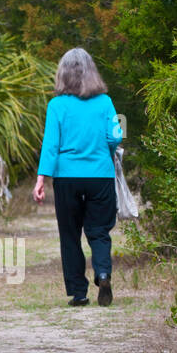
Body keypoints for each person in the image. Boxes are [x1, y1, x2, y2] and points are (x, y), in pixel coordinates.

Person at [33, 48, 123, 306]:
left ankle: (79, 293)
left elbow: (51, 145)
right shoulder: (105, 102)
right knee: (99, 231)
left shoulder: (57, 106)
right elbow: (115, 135)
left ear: (62, 74)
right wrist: (101, 152)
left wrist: (41, 180)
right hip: (99, 176)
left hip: (67, 178)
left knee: (70, 234)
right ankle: (103, 273)